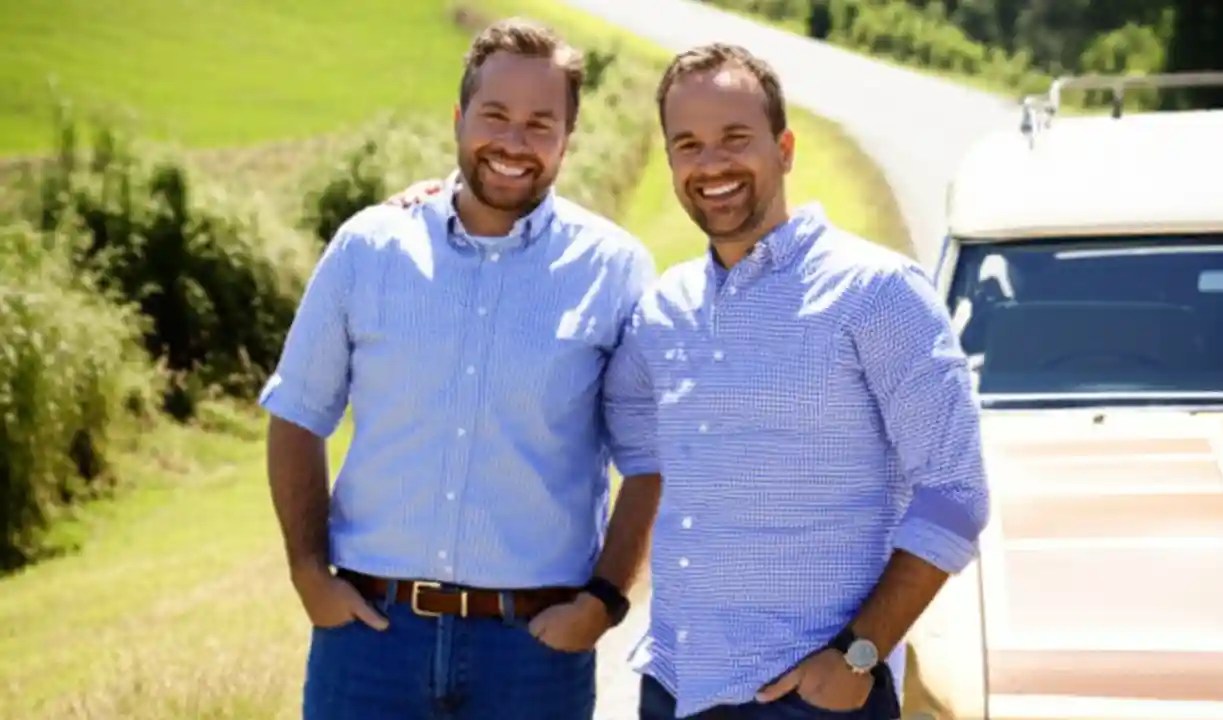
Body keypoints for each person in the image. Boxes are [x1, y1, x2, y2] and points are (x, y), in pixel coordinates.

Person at [259, 18, 661, 720]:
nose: (513, 143)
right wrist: (308, 573)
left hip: (532, 658)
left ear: (568, 138)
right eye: (495, 115)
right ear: (459, 118)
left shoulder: (614, 269)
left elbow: (651, 459)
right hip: (370, 643)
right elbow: (297, 412)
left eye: (540, 124)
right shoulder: (369, 248)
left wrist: (603, 602)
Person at [600, 43, 991, 719]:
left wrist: (858, 655)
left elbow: (955, 493)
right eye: (688, 145)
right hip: (672, 686)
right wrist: (432, 207)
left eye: (735, 138)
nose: (711, 164)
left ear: (784, 149)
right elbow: (624, 443)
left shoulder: (878, 293)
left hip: (815, 694)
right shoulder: (663, 311)